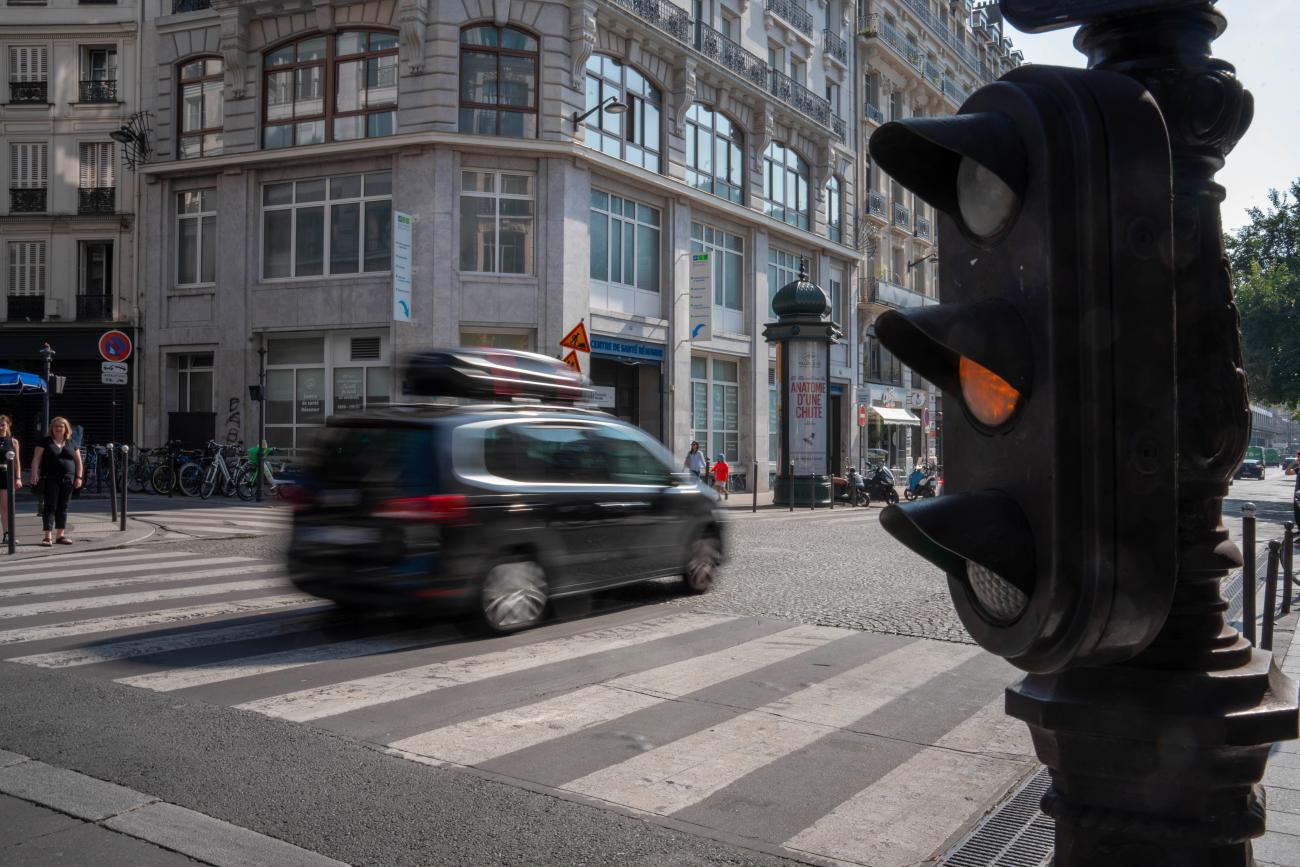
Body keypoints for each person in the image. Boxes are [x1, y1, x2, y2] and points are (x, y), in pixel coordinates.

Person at [30, 416, 83, 547]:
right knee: (50, 506)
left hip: (68, 479)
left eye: (61, 426)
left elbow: (78, 461)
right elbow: (36, 458)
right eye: (56, 426)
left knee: (63, 507)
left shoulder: (71, 442)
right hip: (50, 478)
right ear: (52, 428)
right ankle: (47, 536)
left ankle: (60, 536)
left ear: (66, 428)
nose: (58, 428)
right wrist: (34, 473)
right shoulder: (45, 441)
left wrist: (79, 477)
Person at [0, 415, 22, 545]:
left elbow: (17, 462)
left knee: (6, 507)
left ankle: (7, 534)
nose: (1, 427)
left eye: (3, 424)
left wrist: (18, 477)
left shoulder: (13, 442)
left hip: (6, 475)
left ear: (8, 425)